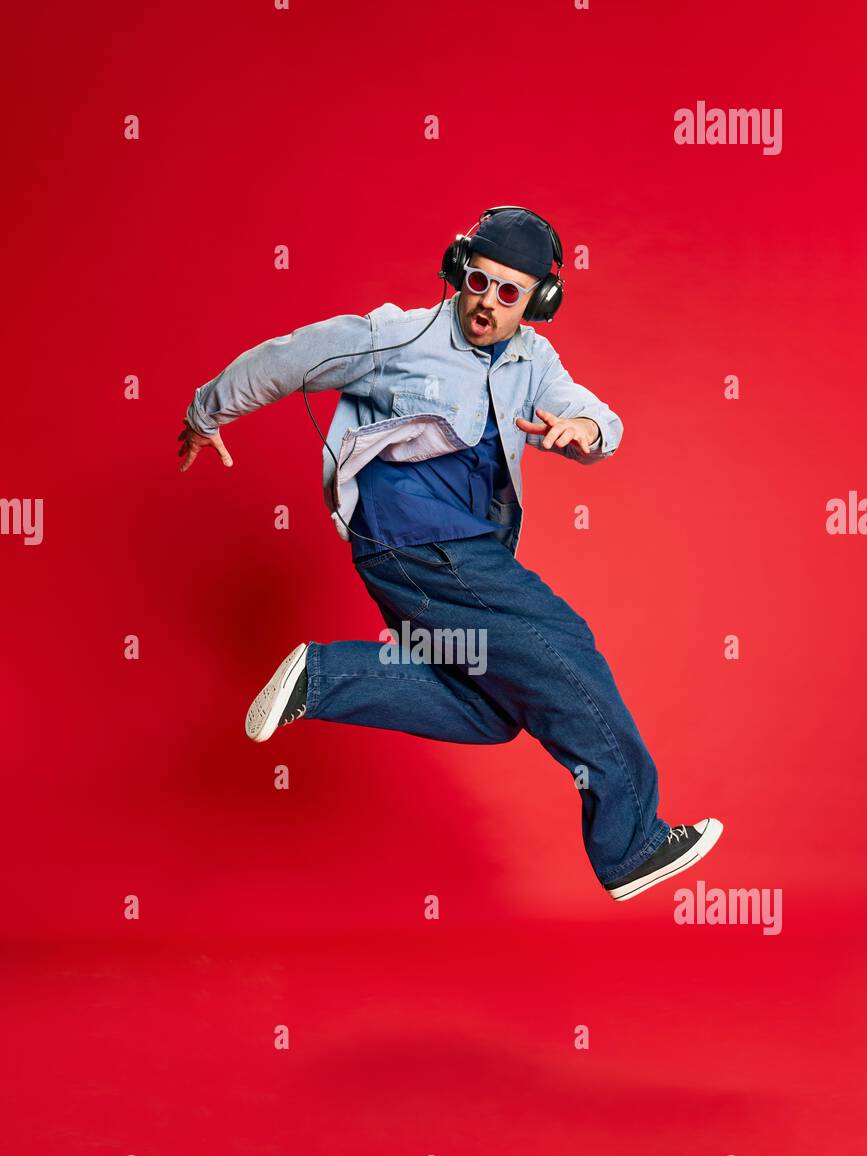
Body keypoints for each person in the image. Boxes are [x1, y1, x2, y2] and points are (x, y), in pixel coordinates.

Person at [178, 206, 723, 901]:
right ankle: (632, 844)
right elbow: (290, 356)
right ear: (458, 271)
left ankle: (324, 678)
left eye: (509, 292)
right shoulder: (398, 336)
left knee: (491, 710)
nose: (487, 303)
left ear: (537, 301)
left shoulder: (534, 361)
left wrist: (583, 428)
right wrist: (206, 412)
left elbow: (595, 414)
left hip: (446, 553)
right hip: (420, 540)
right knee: (563, 644)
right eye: (478, 281)